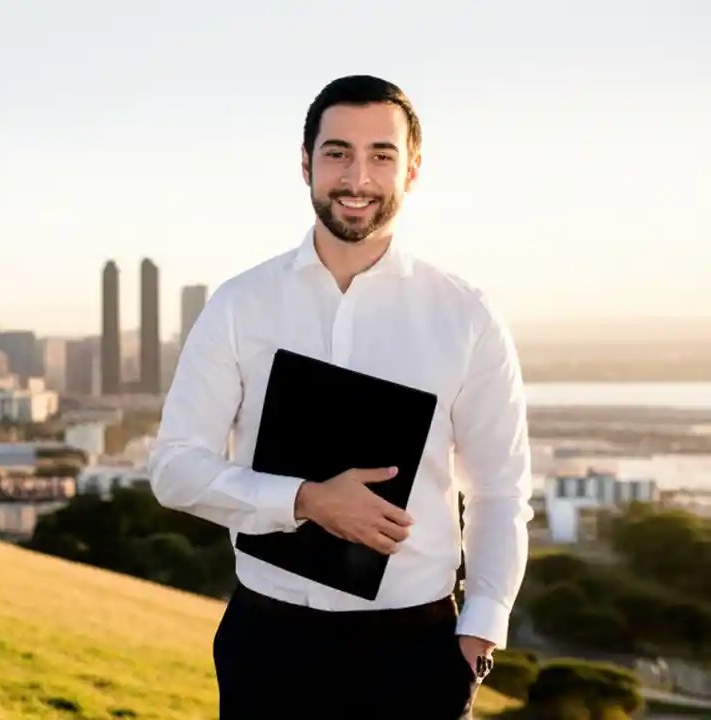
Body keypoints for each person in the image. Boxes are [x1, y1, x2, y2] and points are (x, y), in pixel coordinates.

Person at [147, 75, 533, 719]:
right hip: (269, 643)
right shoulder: (241, 305)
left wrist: (480, 633)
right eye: (337, 153)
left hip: (417, 650)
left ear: (411, 169)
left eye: (382, 155)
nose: (358, 177)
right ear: (305, 164)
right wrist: (306, 500)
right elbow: (175, 468)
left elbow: (501, 489)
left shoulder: (467, 316)